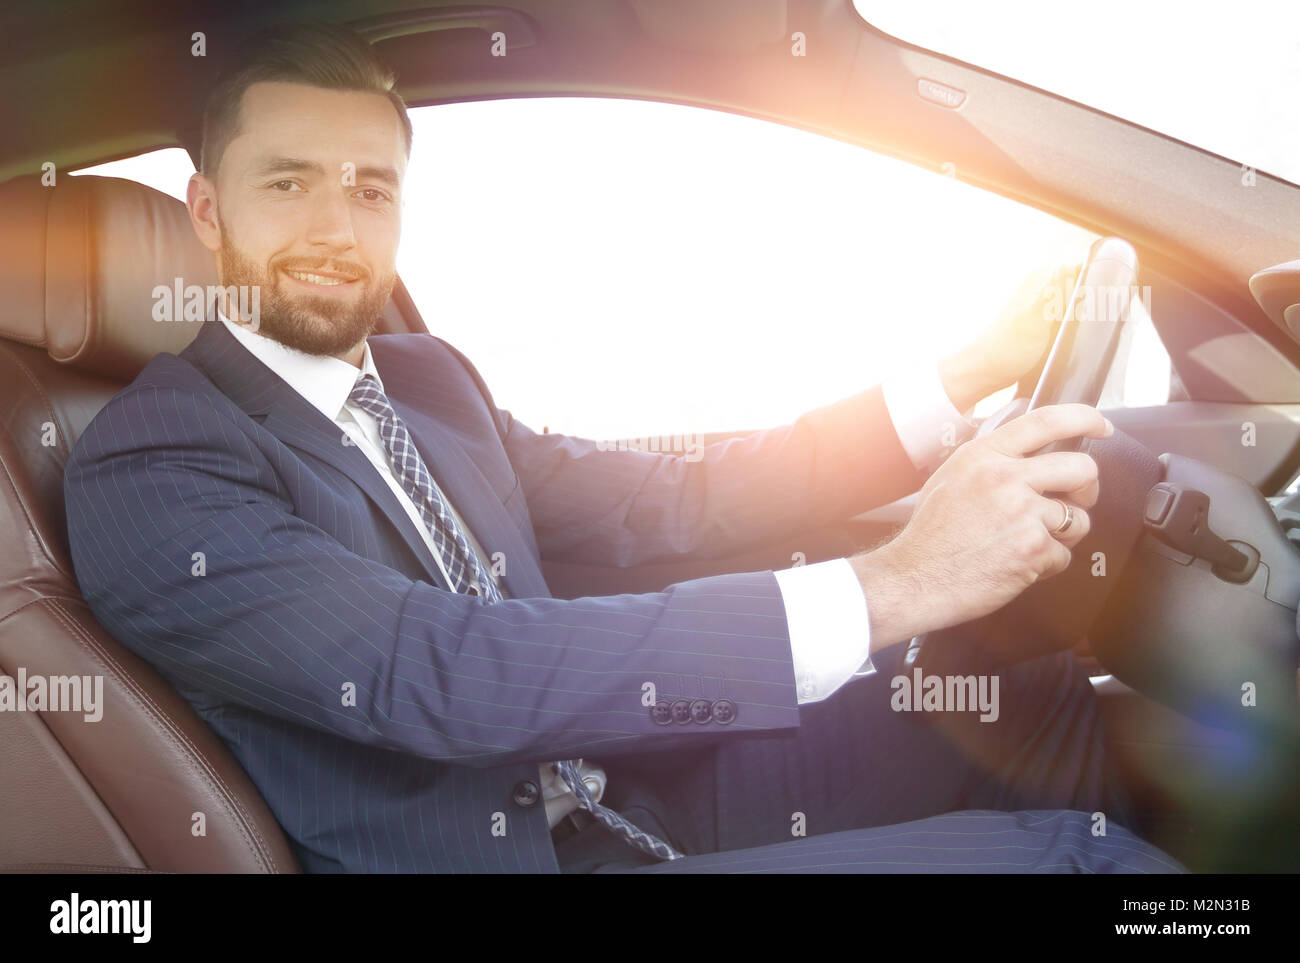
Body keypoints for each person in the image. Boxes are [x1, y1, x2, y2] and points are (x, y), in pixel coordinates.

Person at [62, 21, 1181, 873]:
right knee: (1080, 864)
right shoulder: (150, 463)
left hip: (627, 794)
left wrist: (966, 375)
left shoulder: (428, 380)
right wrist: (897, 583)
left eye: (370, 189)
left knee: (1024, 692)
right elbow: (432, 672)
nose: (333, 228)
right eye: (287, 183)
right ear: (206, 211)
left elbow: (668, 500)